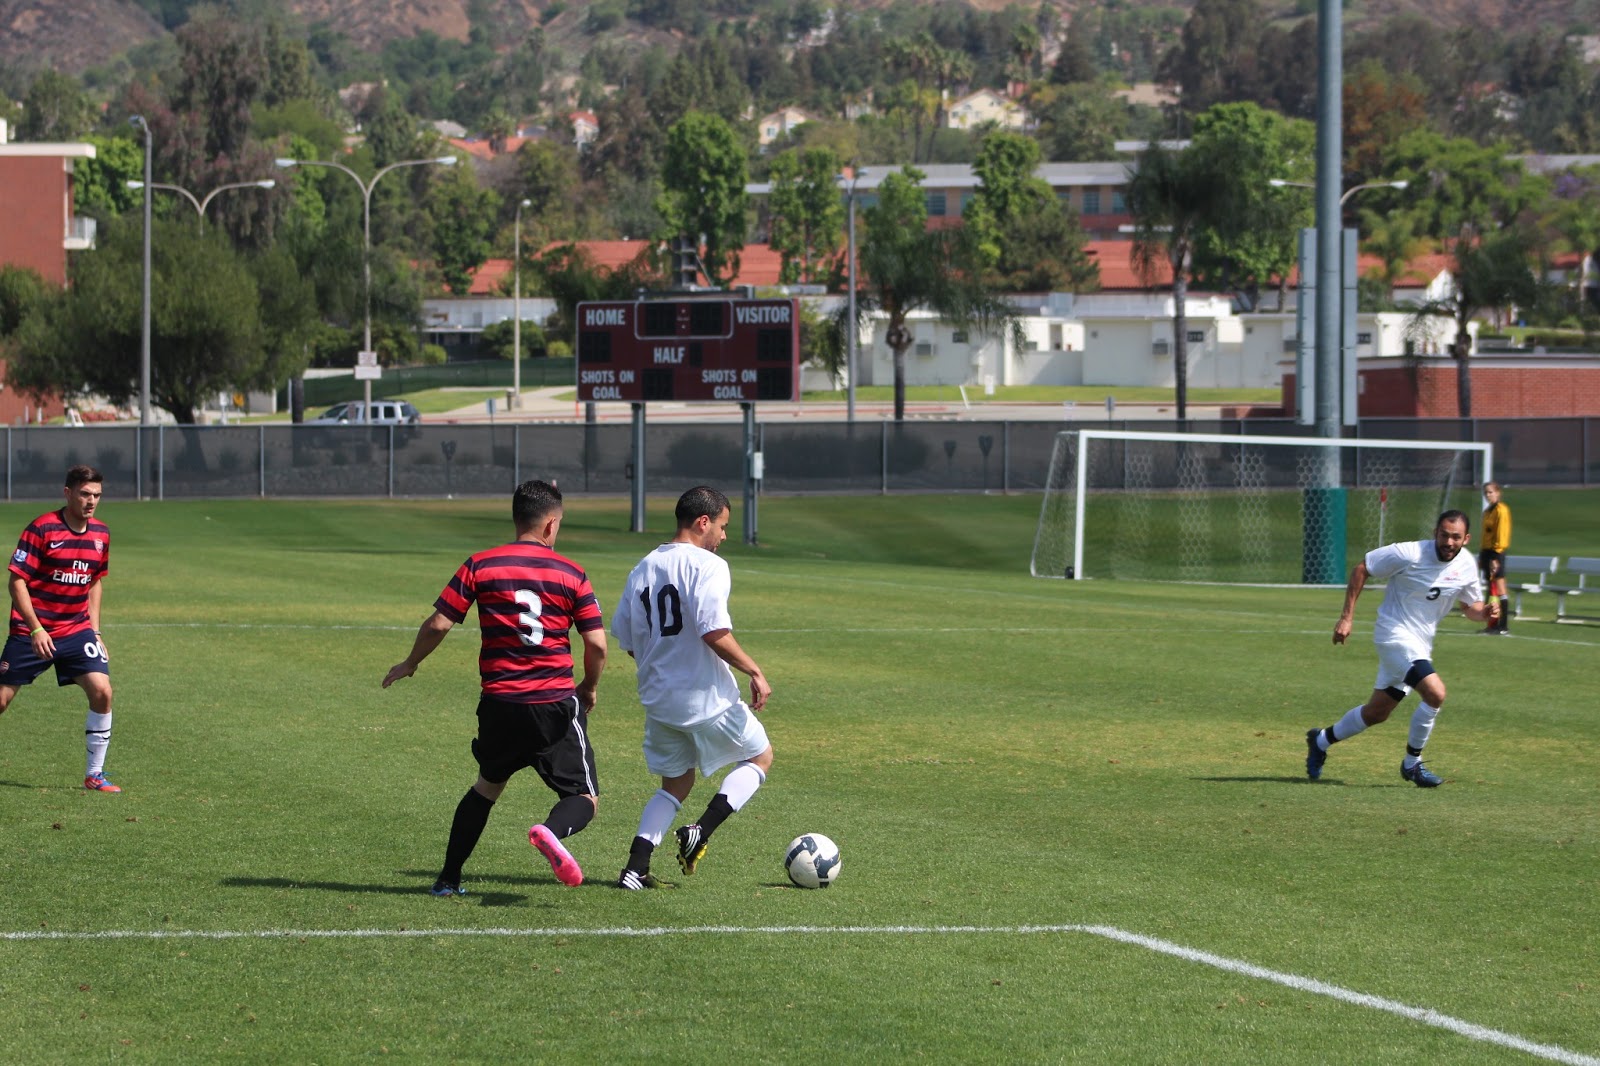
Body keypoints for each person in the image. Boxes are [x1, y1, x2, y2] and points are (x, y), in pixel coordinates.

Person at [383, 480, 607, 895]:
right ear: (551, 524)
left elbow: (438, 623)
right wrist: (589, 688)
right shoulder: (572, 573)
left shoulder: (481, 564)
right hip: (552, 702)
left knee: (487, 786)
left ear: (516, 518)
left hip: (500, 702)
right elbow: (595, 642)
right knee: (584, 795)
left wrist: (410, 663)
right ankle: (552, 832)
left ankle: (448, 879)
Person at [611, 486, 773, 890]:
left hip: (659, 701)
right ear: (703, 522)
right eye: (722, 526)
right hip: (706, 699)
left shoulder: (643, 566)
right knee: (760, 757)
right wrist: (753, 669)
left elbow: (629, 641)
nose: (723, 536)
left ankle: (636, 866)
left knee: (676, 784)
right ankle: (701, 830)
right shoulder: (709, 565)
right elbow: (712, 629)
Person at [1305, 510, 1498, 788]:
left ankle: (1320, 740)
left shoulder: (1467, 565)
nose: (1449, 542)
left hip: (1420, 644)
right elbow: (1362, 568)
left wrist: (1485, 613)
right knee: (1435, 693)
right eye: (1444, 535)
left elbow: (1470, 607)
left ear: (1466, 538)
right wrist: (1346, 617)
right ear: (1436, 532)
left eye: (1456, 537)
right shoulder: (1409, 553)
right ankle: (1412, 765)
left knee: (1376, 713)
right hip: (1394, 636)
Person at [1, 465, 118, 792]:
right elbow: (16, 581)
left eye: (96, 495)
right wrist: (36, 629)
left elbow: (94, 582)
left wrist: (94, 631)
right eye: (84, 494)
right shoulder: (43, 529)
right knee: (1, 700)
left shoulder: (101, 534)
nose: (91, 501)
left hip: (77, 630)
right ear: (67, 493)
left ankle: (95, 775)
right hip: (32, 631)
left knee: (103, 691)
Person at [1478, 481, 1512, 634]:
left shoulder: (1501, 510)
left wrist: (1496, 556)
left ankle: (1503, 625)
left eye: (1491, 492)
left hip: (1495, 552)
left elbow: (1501, 534)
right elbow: (1486, 535)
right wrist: (1482, 555)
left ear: (1498, 493)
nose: (1488, 495)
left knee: (1499, 587)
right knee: (1491, 589)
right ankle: (1492, 624)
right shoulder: (1487, 512)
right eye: (1486, 493)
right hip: (1487, 552)